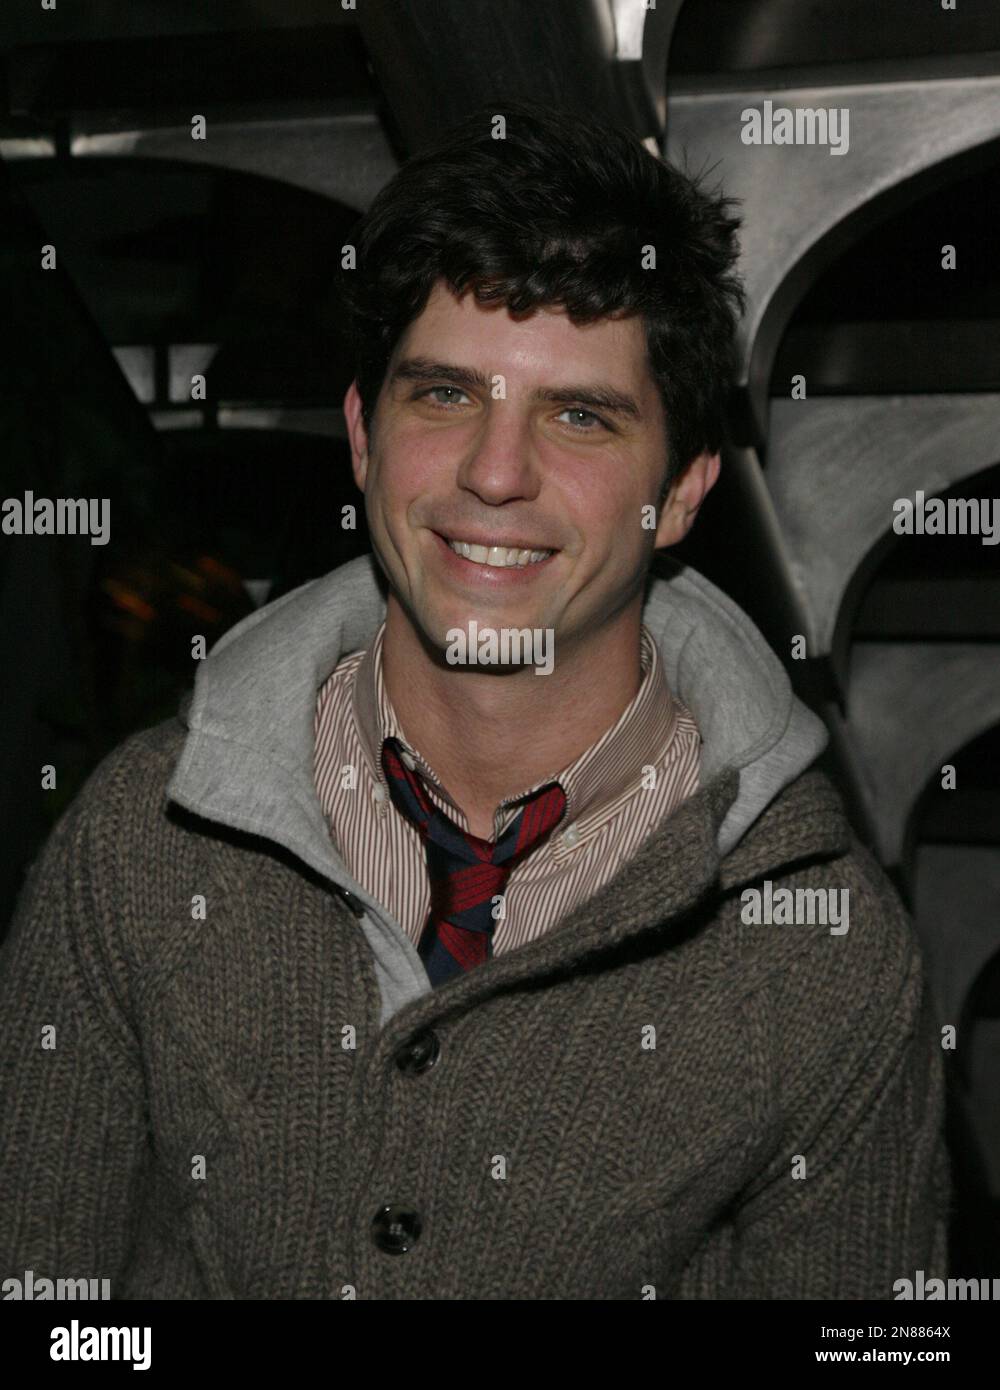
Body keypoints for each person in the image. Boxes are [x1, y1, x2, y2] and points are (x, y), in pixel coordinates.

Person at [0, 100, 949, 1300]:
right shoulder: (137, 843)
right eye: (444, 396)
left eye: (579, 416)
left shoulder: (823, 952)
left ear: (684, 489)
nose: (494, 474)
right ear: (361, 434)